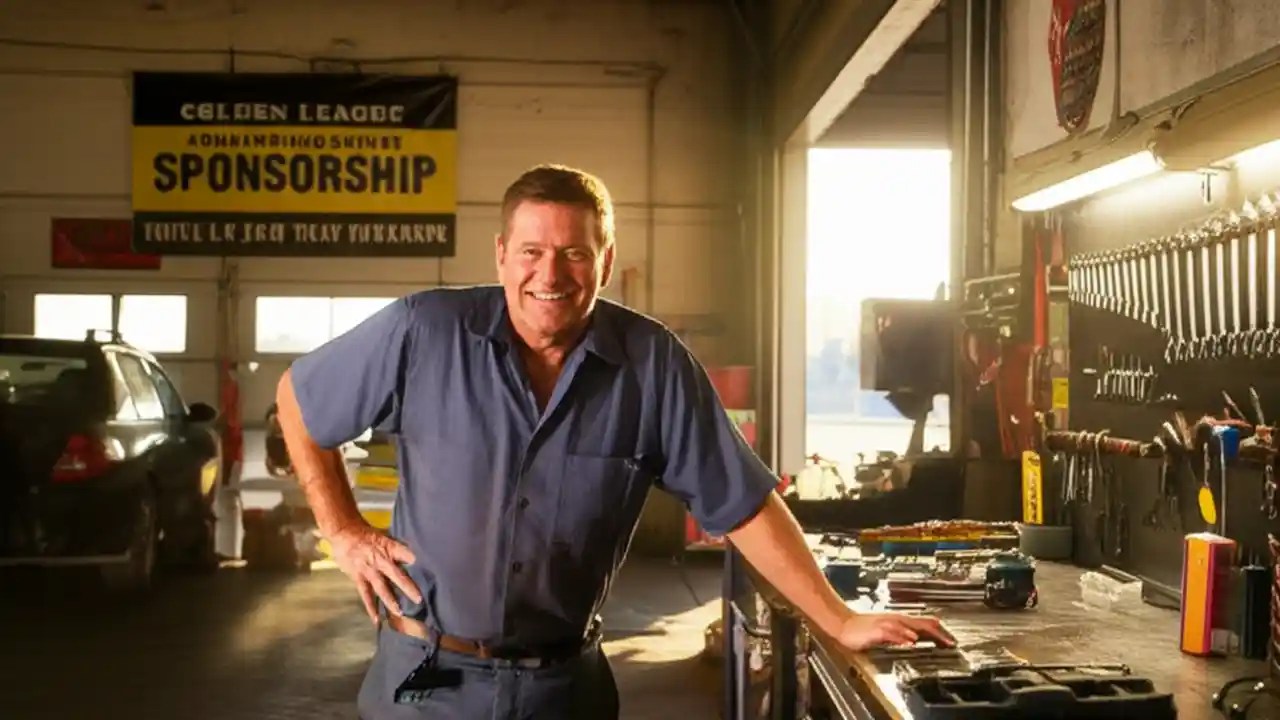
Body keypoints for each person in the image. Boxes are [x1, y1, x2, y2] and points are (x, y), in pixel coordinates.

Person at [275, 164, 953, 719]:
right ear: (502, 255)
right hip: (425, 686)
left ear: (605, 261)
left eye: (574, 252)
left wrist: (837, 620)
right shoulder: (422, 331)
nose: (551, 273)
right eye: (533, 252)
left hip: (564, 693)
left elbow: (741, 503)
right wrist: (342, 529)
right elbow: (297, 400)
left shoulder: (653, 365)